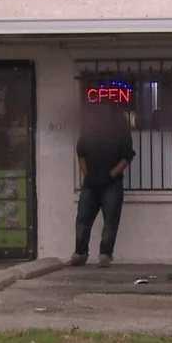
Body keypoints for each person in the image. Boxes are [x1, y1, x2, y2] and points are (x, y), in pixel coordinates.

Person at [70, 106, 135, 268]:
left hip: (111, 183)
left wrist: (111, 174)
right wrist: (88, 175)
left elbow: (127, 157)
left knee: (110, 221)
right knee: (83, 220)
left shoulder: (121, 132)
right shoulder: (89, 130)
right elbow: (81, 153)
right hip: (92, 183)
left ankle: (105, 255)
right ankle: (80, 253)